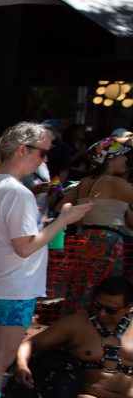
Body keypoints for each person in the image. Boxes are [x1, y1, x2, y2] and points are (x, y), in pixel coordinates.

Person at [0, 122, 96, 398]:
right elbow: (25, 247)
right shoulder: (16, 192)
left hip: (0, 282)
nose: (45, 159)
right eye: (42, 152)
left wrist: (54, 222)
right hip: (12, 286)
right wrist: (63, 220)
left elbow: (19, 240)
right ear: (22, 150)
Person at [59, 133, 133, 315]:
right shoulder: (112, 182)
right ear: (110, 159)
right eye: (122, 155)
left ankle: (73, 325)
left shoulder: (84, 182)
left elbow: (61, 206)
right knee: (105, 289)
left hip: (87, 240)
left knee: (83, 287)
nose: (126, 159)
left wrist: (91, 217)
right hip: (108, 243)